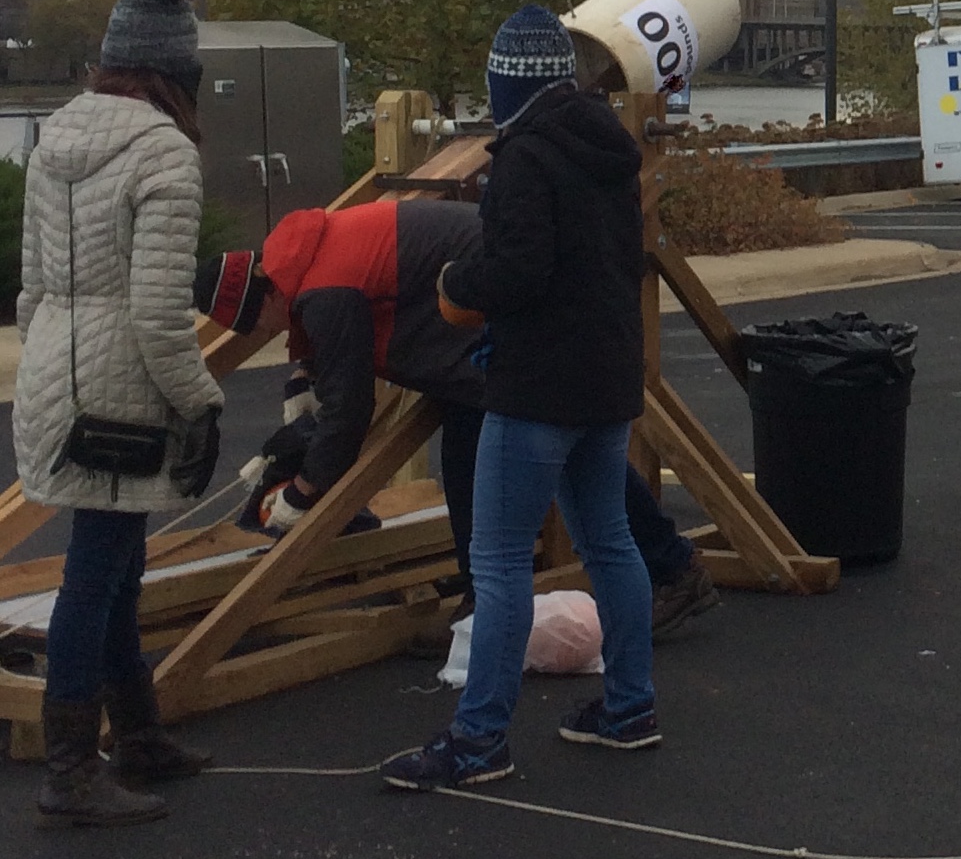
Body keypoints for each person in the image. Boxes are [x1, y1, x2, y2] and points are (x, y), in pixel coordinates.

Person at [191, 201, 718, 654]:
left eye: (257, 325)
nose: (266, 333)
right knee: (469, 452)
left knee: (560, 446)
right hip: (499, 306)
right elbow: (330, 332)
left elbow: (348, 411)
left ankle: (672, 569)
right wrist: (303, 378)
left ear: (264, 296)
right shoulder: (306, 254)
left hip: (518, 309)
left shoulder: (324, 288)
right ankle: (481, 602)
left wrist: (303, 494)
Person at [380, 5, 657, 789]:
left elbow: (518, 271)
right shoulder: (610, 152)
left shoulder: (525, 159)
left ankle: (478, 739)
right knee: (611, 541)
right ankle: (630, 705)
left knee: (499, 563)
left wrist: (453, 286)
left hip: (538, 386)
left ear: (508, 84)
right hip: (607, 379)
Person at [14, 0, 225, 827]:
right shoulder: (163, 152)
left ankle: (137, 733)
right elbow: (157, 310)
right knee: (96, 575)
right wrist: (202, 400)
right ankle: (70, 766)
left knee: (118, 567)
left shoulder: (52, 139)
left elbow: (30, 291)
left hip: (54, 378)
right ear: (178, 73)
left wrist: (55, 363)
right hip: (121, 390)